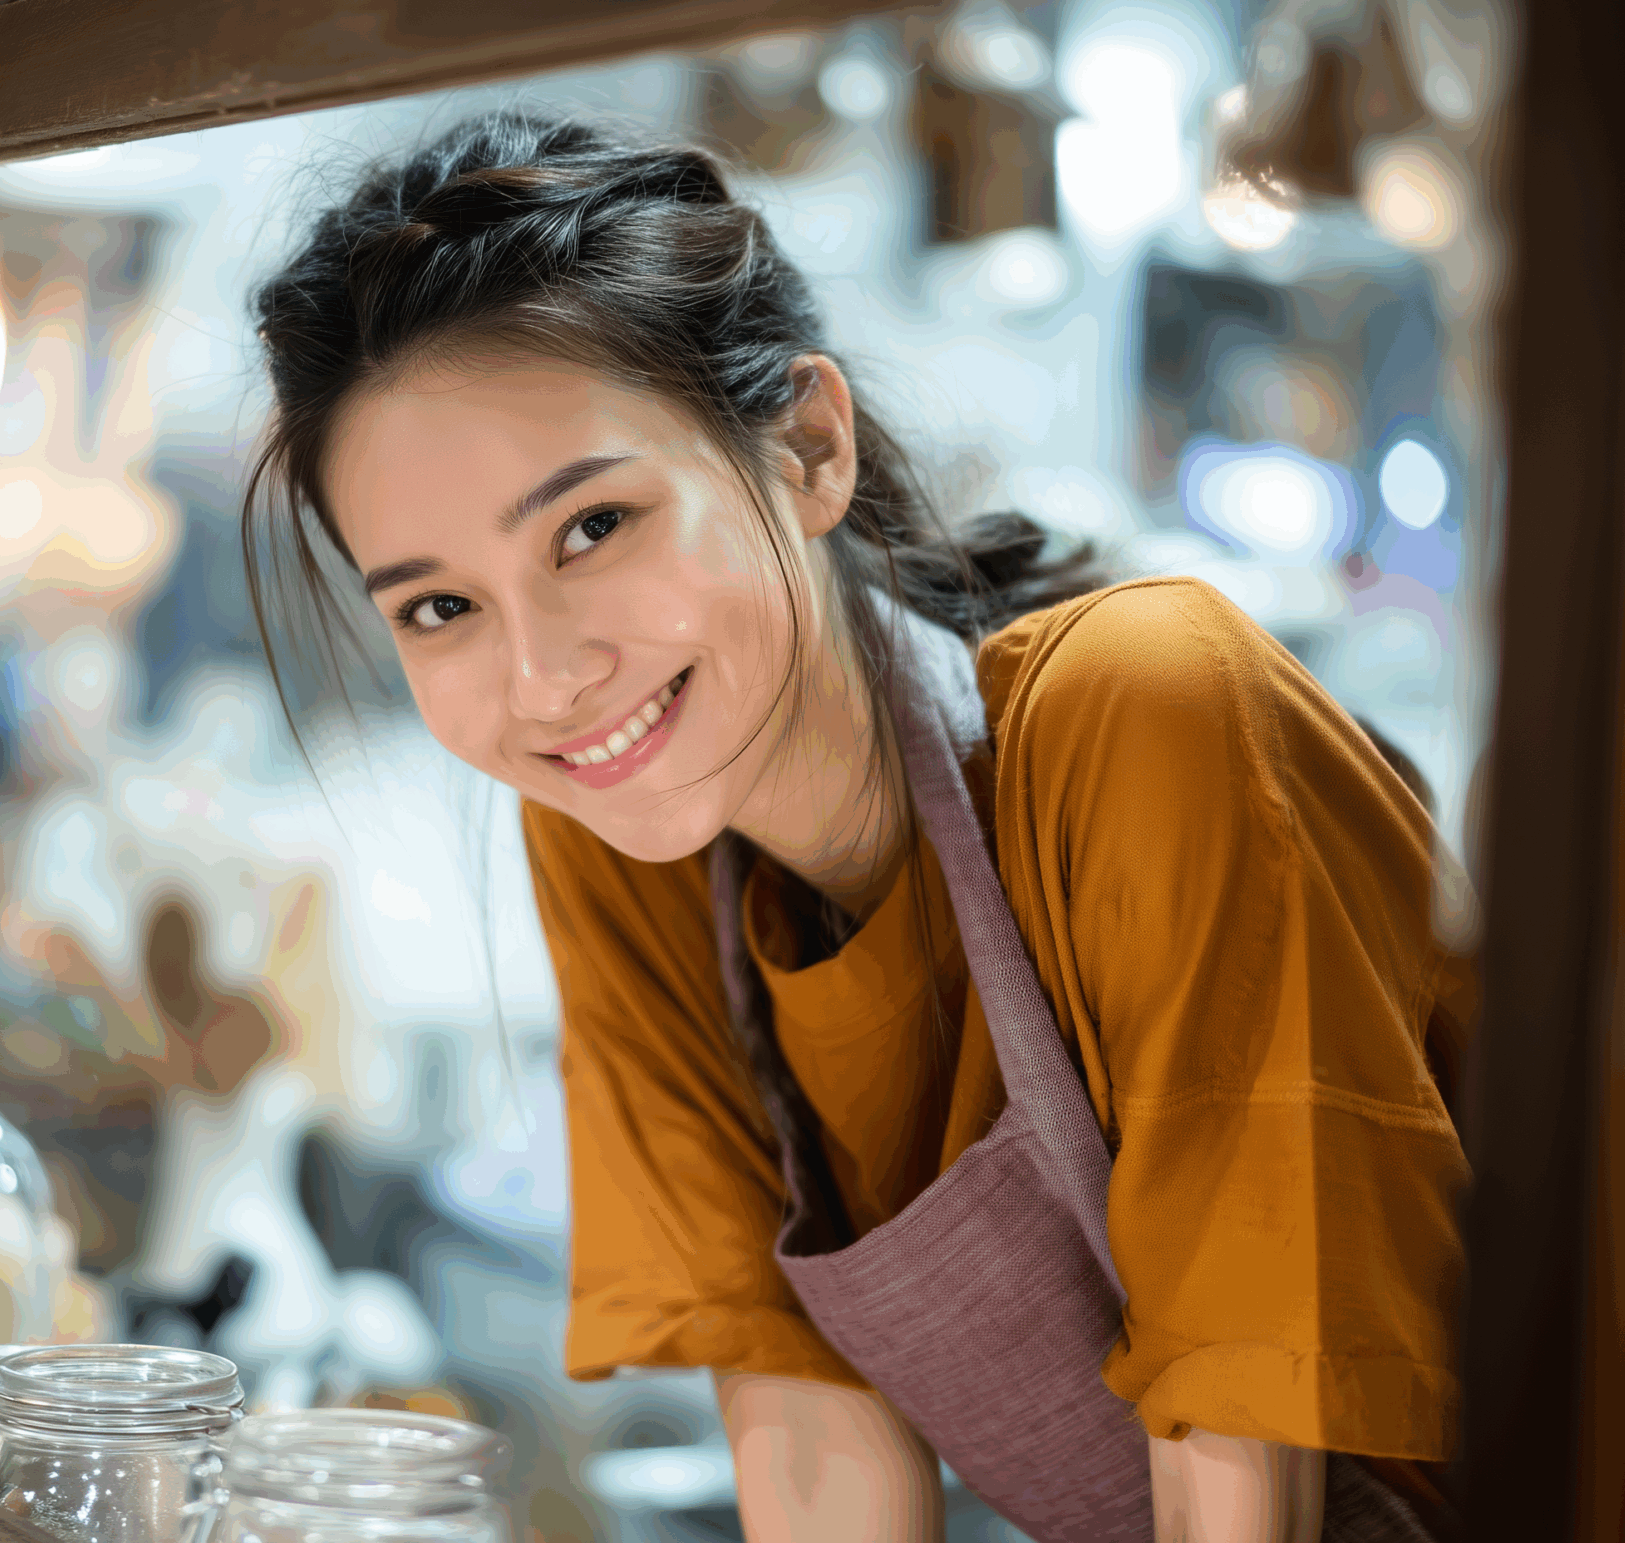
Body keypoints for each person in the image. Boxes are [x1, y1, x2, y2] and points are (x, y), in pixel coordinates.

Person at [243, 112, 1474, 1543]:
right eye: (439, 606)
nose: (543, 676)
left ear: (808, 449)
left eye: (593, 528)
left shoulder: (1148, 715)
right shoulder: (621, 833)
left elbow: (1246, 1486)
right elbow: (812, 1442)